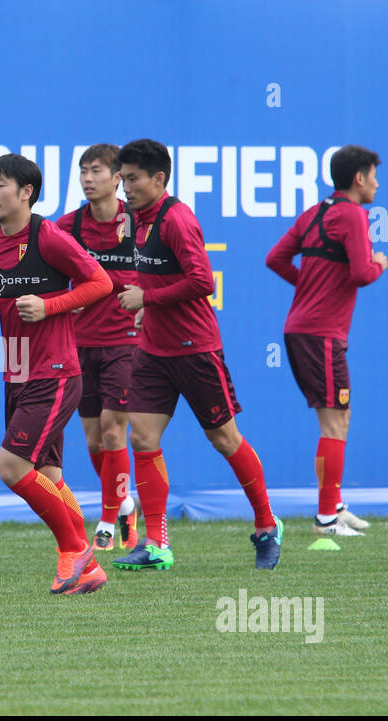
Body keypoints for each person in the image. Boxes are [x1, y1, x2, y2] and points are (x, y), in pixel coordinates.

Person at [114, 138, 283, 571]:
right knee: (142, 438)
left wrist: (147, 299)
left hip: (195, 348)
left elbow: (203, 281)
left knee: (224, 439)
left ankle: (267, 526)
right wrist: (143, 309)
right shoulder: (136, 219)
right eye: (123, 179)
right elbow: (150, 275)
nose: (125, 187)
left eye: (132, 179)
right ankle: (156, 544)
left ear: (159, 179)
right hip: (153, 350)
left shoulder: (178, 219)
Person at [0, 153, 112, 594]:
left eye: (0, 184)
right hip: (18, 371)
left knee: (11, 467)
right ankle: (90, 566)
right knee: (49, 475)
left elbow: (99, 282)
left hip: (56, 372)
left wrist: (50, 305)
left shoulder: (49, 237)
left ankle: (72, 549)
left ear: (26, 193)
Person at [266, 144, 388, 539]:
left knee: (339, 417)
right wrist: (380, 264)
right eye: (373, 175)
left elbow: (275, 258)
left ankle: (333, 504)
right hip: (320, 334)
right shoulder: (353, 215)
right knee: (334, 421)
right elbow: (362, 273)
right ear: (358, 178)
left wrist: (310, 287)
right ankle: (325, 520)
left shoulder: (315, 212)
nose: (376, 183)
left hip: (304, 329)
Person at [55, 144, 140, 552]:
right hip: (79, 343)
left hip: (127, 341)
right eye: (83, 172)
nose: (88, 179)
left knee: (113, 428)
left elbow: (164, 272)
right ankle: (124, 503)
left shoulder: (139, 223)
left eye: (97, 171)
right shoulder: (68, 227)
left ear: (117, 176)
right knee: (93, 439)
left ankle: (106, 521)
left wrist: (148, 301)